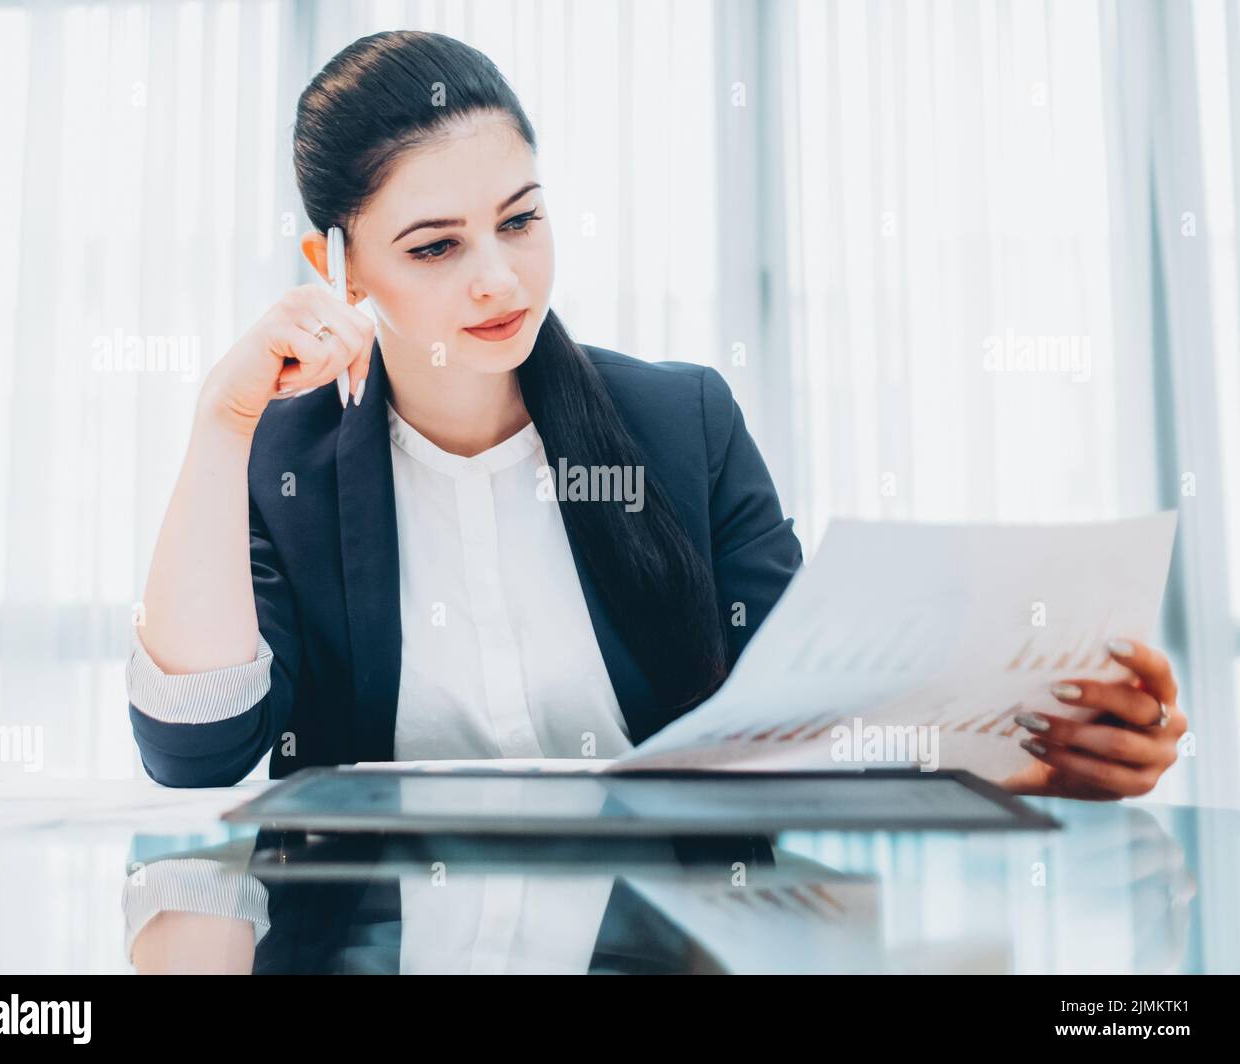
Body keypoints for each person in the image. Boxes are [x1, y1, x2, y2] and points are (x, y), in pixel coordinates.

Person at [126, 30, 1185, 801]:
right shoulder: (285, 458)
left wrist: (1026, 756)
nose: (500, 281)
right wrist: (224, 421)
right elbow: (198, 749)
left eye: (521, 220)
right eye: (436, 245)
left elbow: (804, 718)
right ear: (335, 264)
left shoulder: (680, 420)